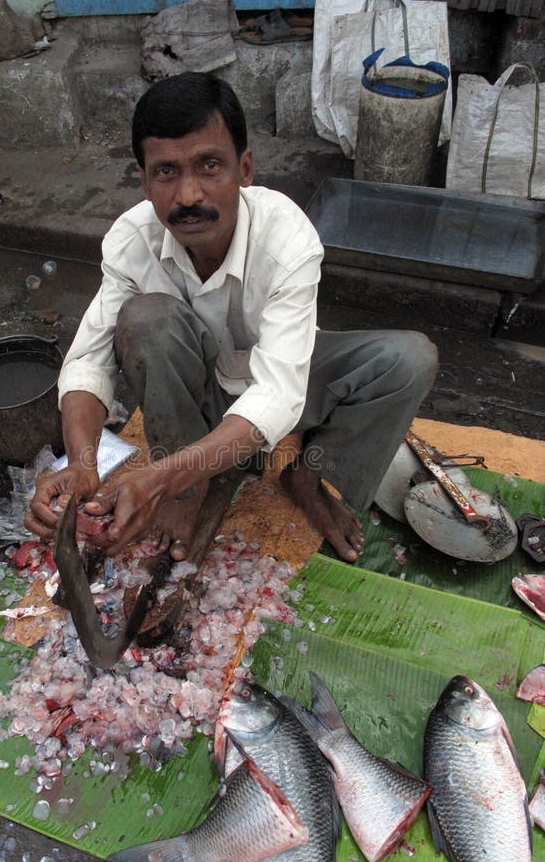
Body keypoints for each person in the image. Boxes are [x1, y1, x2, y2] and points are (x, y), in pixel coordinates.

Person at [25, 72, 437, 563]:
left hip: (279, 394)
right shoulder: (131, 240)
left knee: (409, 359)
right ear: (143, 179)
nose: (188, 195)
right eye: (166, 172)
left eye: (209, 165)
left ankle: (304, 475)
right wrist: (83, 463)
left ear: (244, 168)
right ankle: (185, 492)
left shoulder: (287, 237)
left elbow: (280, 393)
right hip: (190, 402)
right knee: (145, 319)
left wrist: (158, 477)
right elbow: (88, 360)